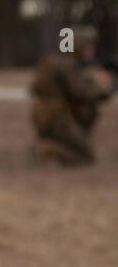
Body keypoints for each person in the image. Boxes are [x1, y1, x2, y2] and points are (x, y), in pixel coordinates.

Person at [30, 25, 115, 165]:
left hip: (43, 115)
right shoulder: (67, 65)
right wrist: (107, 89)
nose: (90, 51)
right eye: (87, 48)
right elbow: (82, 92)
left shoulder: (52, 61)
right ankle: (48, 150)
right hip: (57, 117)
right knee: (85, 157)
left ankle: (50, 146)